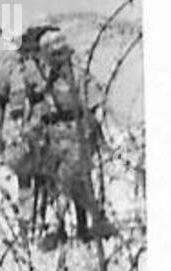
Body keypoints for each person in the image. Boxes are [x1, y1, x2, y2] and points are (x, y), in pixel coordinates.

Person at [32, 28, 116, 246]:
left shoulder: (77, 75)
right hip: (52, 136)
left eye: (59, 54)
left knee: (78, 181)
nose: (55, 60)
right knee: (55, 186)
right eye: (51, 55)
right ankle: (58, 229)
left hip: (75, 134)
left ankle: (87, 224)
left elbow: (94, 103)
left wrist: (94, 133)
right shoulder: (42, 77)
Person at [0, 24, 53, 244]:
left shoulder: (43, 66)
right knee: (24, 179)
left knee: (43, 179)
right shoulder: (10, 66)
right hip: (17, 129)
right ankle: (27, 225)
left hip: (40, 126)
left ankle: (40, 220)